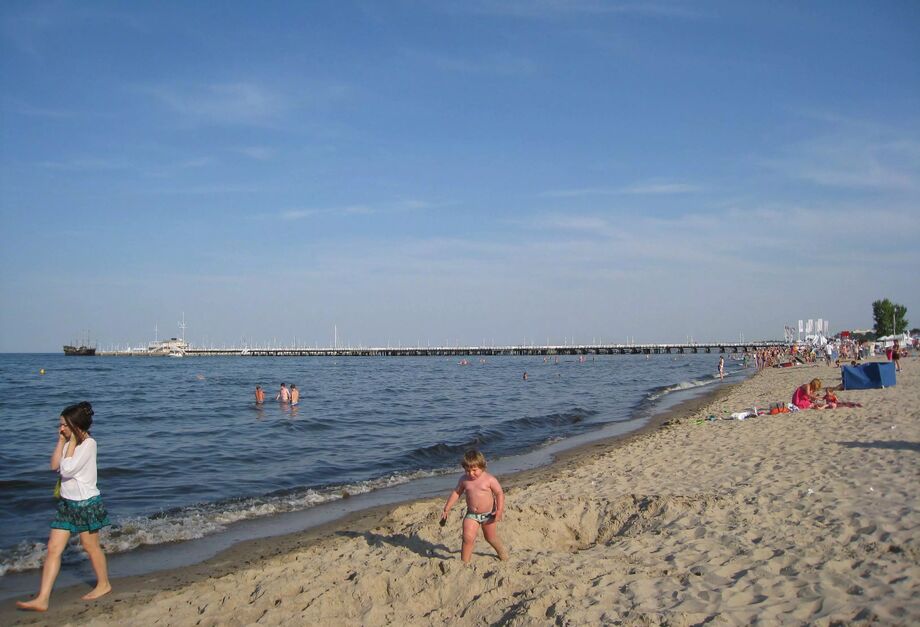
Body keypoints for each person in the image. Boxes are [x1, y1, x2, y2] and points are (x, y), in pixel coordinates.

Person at [17, 402, 111, 612]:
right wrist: (61, 441)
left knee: (90, 546)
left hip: (86, 504)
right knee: (53, 549)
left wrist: (70, 443)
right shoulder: (70, 442)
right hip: (67, 504)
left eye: (64, 425)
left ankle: (104, 584)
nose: (61, 428)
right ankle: (42, 598)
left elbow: (66, 469)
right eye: (60, 425)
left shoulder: (88, 444)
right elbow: (54, 465)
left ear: (75, 425)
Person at [440, 450, 508, 563]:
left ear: (483, 467)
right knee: (467, 538)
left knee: (490, 537)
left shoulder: (489, 479)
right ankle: (464, 562)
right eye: (467, 470)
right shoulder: (464, 480)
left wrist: (499, 510)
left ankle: (502, 552)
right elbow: (457, 493)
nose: (471, 473)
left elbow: (499, 493)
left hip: (489, 514)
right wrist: (446, 508)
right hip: (471, 514)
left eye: (474, 470)